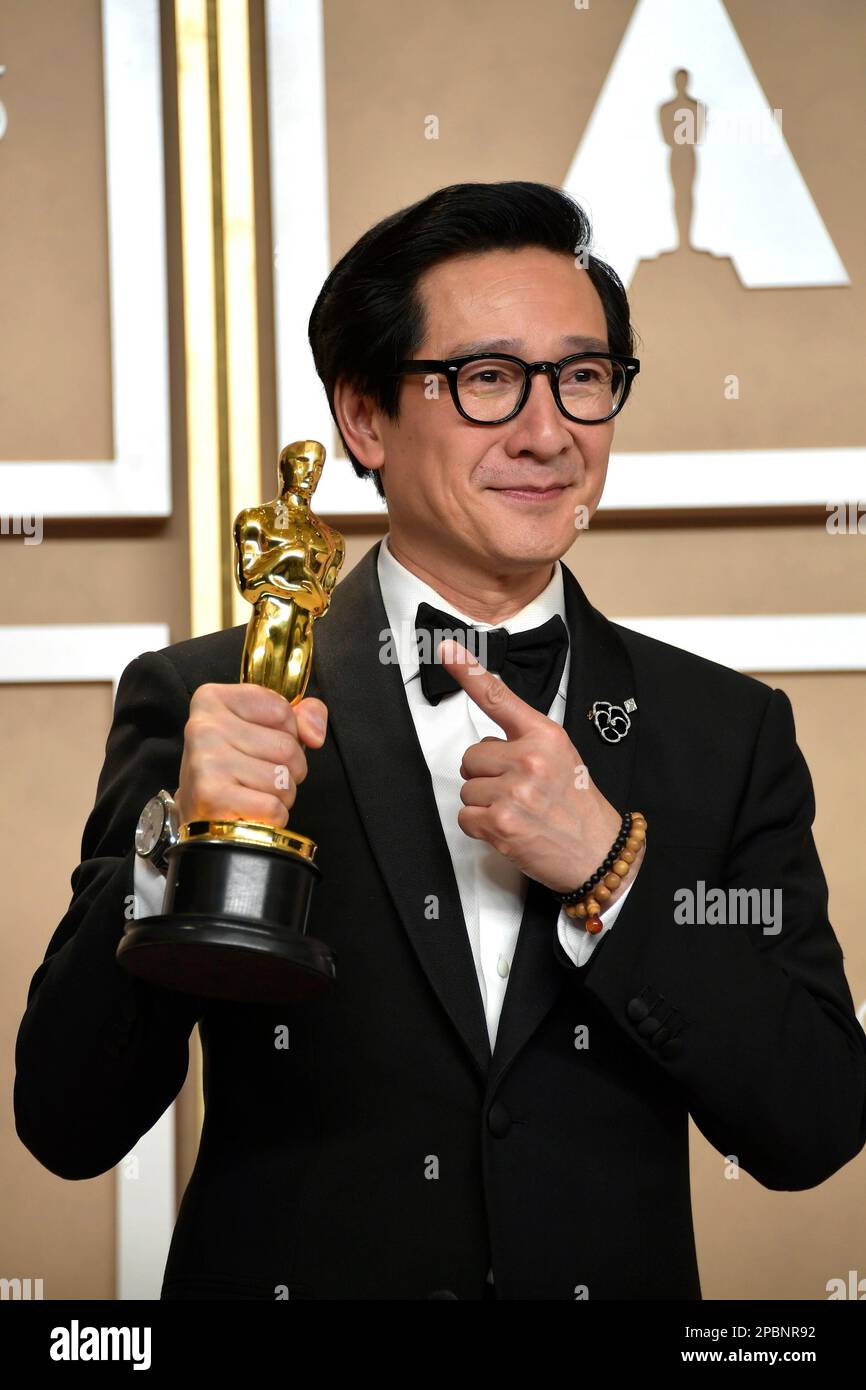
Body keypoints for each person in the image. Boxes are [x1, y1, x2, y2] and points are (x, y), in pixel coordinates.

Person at [15, 182, 866, 1301]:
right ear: (363, 417)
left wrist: (614, 873)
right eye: (486, 378)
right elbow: (68, 1122)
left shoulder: (726, 728)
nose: (548, 429)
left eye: (582, 376)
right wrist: (178, 847)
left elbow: (809, 1125)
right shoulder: (207, 697)